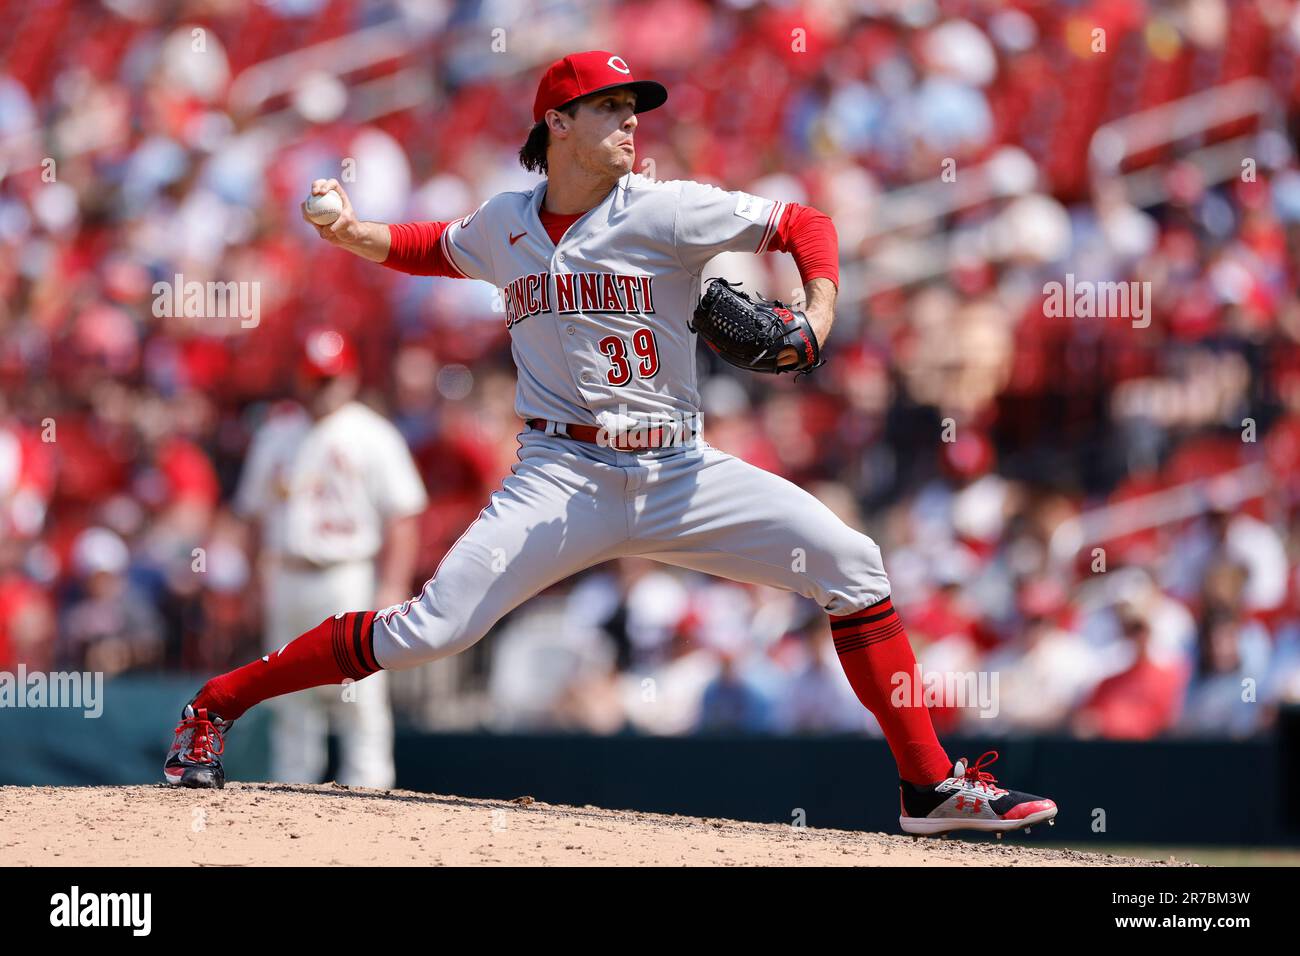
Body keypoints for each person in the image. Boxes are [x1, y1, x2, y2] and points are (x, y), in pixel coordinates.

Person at [165, 51, 1056, 836]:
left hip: (679, 468)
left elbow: (804, 224)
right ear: (556, 123)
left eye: (635, 109)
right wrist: (349, 231)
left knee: (854, 564)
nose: (631, 123)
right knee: (429, 630)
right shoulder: (502, 225)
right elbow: (428, 246)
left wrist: (817, 315)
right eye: (610, 108)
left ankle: (927, 785)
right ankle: (216, 702)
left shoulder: (666, 210)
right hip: (564, 475)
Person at [229, 329, 427, 788]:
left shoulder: (373, 433)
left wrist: (393, 585)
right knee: (286, 688)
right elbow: (253, 517)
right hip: (288, 573)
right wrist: (253, 583)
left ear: (350, 377)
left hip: (348, 574)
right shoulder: (277, 433)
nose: (323, 389)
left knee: (360, 690)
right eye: (315, 378)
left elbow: (403, 517)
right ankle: (291, 786)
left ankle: (369, 787)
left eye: (331, 378)